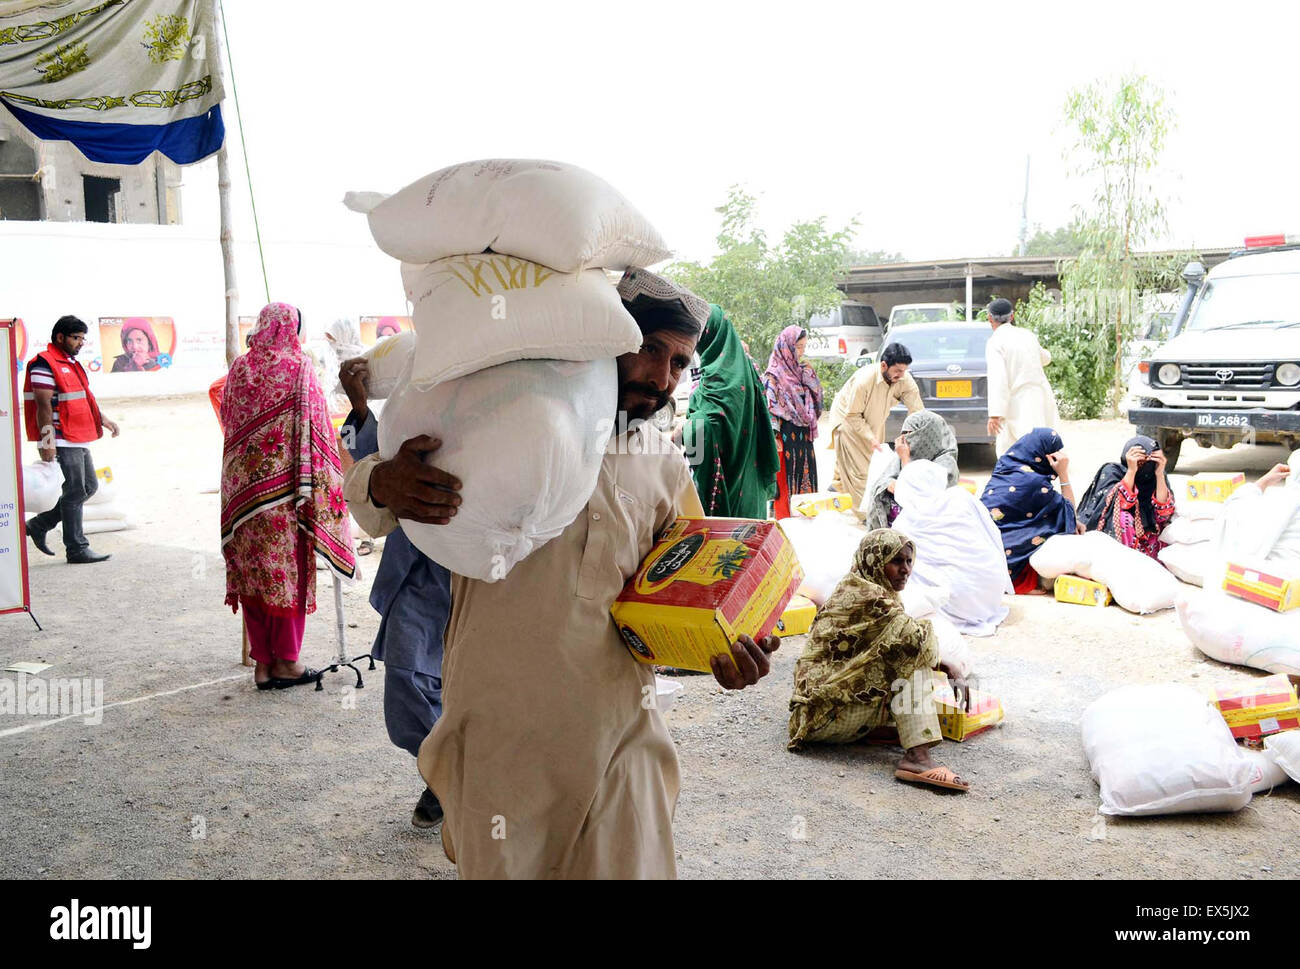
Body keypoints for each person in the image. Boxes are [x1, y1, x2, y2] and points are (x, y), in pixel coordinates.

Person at [344, 268, 780, 878]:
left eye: (679, 363)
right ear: (604, 337)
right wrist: (382, 480)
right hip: (503, 737)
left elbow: (686, 596)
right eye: (650, 348)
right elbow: (373, 503)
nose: (661, 378)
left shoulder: (664, 465)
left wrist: (727, 652)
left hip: (621, 739)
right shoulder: (499, 423)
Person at [337, 352, 452, 830]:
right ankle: (447, 775)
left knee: (479, 686)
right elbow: (373, 460)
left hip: (491, 573)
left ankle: (471, 779)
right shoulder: (422, 387)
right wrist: (361, 407)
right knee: (406, 681)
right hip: (418, 569)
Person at [220, 302, 356, 690]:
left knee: (253, 576)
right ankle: (287, 664)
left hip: (241, 495)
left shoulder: (239, 368)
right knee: (285, 575)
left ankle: (262, 666)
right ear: (292, 328)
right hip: (284, 495)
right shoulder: (299, 369)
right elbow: (318, 429)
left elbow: (227, 417)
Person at [787, 528, 971, 792]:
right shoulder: (869, 598)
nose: (906, 569)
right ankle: (917, 758)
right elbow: (914, 641)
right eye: (896, 561)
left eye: (908, 561)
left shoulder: (860, 587)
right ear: (874, 560)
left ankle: (890, 736)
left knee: (899, 653)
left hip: (818, 713)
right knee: (911, 658)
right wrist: (950, 666)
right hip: (823, 717)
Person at [24, 315, 121, 564]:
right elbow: (43, 407)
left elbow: (83, 398)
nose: (80, 343)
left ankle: (39, 524)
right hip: (61, 438)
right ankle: (76, 548)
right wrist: (47, 444)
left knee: (89, 487)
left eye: (82, 339)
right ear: (60, 337)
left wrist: (103, 419)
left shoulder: (69, 363)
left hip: (78, 437)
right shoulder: (44, 364)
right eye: (76, 338)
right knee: (77, 489)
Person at [679, 304, 780, 519]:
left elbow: (705, 428)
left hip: (728, 500)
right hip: (751, 495)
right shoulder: (745, 371)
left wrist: (683, 430)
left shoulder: (718, 380)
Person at [892, 459, 1013, 636]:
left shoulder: (905, 521)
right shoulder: (961, 497)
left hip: (954, 604)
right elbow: (992, 536)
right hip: (990, 596)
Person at [980, 427, 1083, 593]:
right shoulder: (1034, 483)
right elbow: (1069, 512)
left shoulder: (1006, 465)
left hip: (983, 550)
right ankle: (1022, 581)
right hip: (1004, 560)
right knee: (1059, 524)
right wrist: (1063, 474)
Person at [827, 342, 923, 517]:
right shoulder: (864, 380)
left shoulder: (904, 378)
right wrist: (870, 438)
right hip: (849, 423)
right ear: (884, 365)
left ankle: (838, 488)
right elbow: (853, 415)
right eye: (897, 371)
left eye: (904, 371)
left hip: (875, 421)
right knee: (862, 475)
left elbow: (917, 410)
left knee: (877, 468)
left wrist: (912, 433)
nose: (901, 375)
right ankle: (867, 517)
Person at [1076, 435, 1175, 561]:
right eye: (1139, 461)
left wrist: (1160, 473)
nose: (1144, 466)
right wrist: (1132, 470)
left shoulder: (1156, 475)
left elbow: (1164, 513)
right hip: (1115, 534)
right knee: (1124, 519)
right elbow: (1121, 503)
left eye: (1148, 462)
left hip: (1147, 538)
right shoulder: (1112, 472)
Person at [984, 298, 1060, 457]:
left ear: (990, 318)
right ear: (1012, 316)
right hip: (1039, 399)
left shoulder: (995, 342)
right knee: (1040, 448)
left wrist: (995, 414)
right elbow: (1045, 358)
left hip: (1016, 404)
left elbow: (998, 379)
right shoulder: (1027, 335)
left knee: (1012, 454)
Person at [763, 325, 824, 519]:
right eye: (798, 347)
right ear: (786, 346)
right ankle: (785, 531)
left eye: (804, 346)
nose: (801, 351)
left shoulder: (803, 371)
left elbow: (817, 405)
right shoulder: (773, 375)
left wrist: (811, 380)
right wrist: (773, 438)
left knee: (806, 489)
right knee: (785, 489)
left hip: (804, 439)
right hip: (784, 438)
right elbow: (769, 410)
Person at [862, 410, 958, 530]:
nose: (904, 439)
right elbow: (882, 482)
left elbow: (919, 494)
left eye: (910, 433)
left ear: (928, 435)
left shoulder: (945, 465)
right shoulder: (901, 456)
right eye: (903, 433)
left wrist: (906, 460)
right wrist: (889, 484)